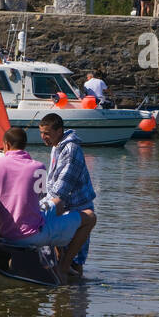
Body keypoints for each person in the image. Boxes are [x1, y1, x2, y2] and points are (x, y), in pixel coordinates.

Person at [0, 127, 85, 263]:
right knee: (89, 217)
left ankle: (59, 259)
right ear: (24, 145)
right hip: (34, 235)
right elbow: (41, 198)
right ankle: (65, 265)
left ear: (7, 145)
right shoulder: (39, 167)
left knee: (56, 205)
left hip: (7, 233)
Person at [39, 112, 96, 280]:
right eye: (41, 133)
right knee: (60, 253)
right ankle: (63, 295)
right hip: (61, 204)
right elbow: (52, 183)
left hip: (78, 206)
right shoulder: (57, 147)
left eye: (47, 133)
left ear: (59, 131)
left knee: (76, 258)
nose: (43, 137)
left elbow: (63, 186)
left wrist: (40, 208)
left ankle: (76, 295)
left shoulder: (71, 149)